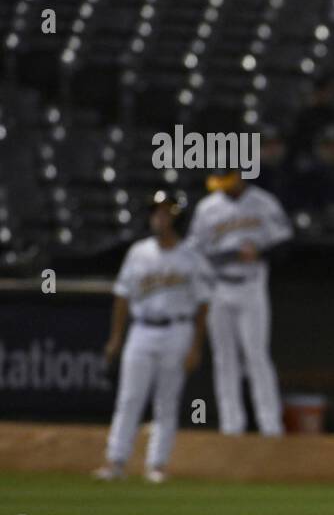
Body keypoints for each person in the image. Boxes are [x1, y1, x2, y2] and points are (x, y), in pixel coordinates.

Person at [95, 192, 213, 483]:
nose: (159, 218)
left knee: (167, 401)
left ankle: (157, 464)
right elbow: (122, 297)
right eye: (155, 212)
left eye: (165, 212)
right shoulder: (138, 252)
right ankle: (116, 461)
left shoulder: (191, 257)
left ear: (176, 218)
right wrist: (116, 338)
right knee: (129, 398)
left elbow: (202, 305)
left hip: (177, 329)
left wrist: (196, 347)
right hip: (142, 329)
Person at [186, 169, 293, 436]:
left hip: (252, 283)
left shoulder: (264, 203)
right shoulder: (207, 208)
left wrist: (261, 252)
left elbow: (285, 244)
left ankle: (270, 425)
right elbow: (193, 251)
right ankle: (231, 426)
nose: (224, 187)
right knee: (225, 359)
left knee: (256, 355)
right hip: (219, 285)